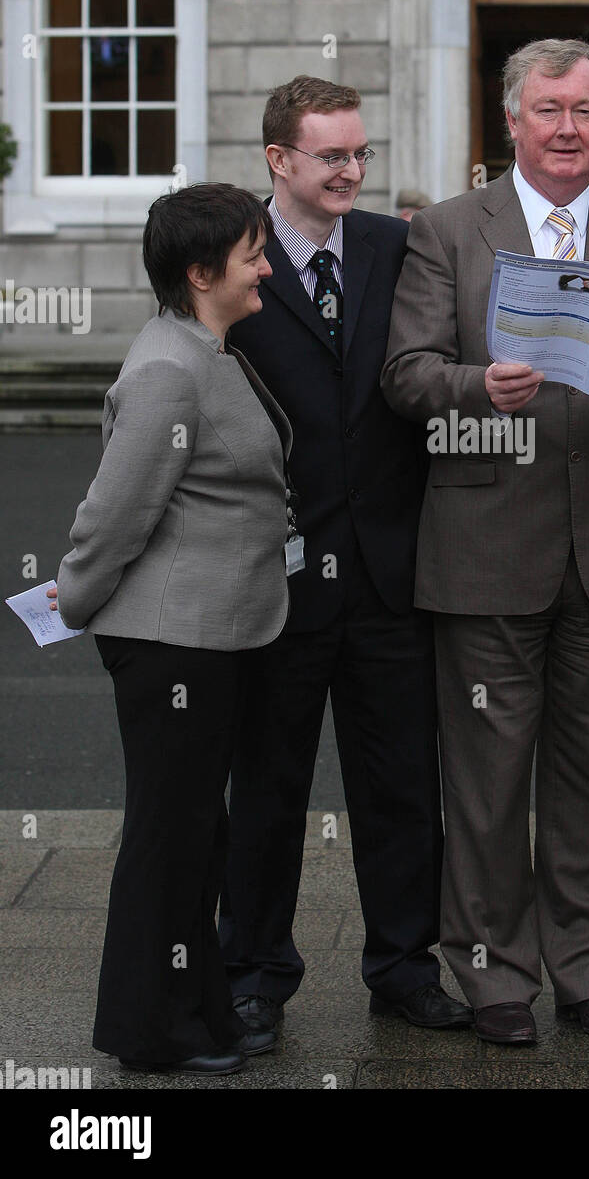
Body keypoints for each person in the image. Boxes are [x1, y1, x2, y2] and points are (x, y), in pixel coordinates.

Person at [381, 38, 589, 1045]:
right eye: (549, 109)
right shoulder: (451, 229)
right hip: (482, 547)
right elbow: (408, 374)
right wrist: (479, 387)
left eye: (586, 111)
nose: (568, 128)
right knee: (487, 781)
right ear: (511, 120)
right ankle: (495, 979)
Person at [219, 76, 471, 1032]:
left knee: (403, 786)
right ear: (278, 160)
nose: (351, 171)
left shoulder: (394, 246)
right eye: (331, 156)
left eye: (360, 153)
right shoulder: (227, 253)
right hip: (272, 573)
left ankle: (404, 970)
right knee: (270, 788)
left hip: (389, 570)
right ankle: (253, 976)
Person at [53, 183, 292, 1074]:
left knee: (196, 834)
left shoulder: (205, 347)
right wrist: (73, 601)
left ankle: (198, 1014)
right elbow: (112, 514)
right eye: (252, 254)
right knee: (170, 839)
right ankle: (149, 1032)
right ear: (201, 273)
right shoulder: (169, 369)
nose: (267, 266)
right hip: (171, 644)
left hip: (212, 637)